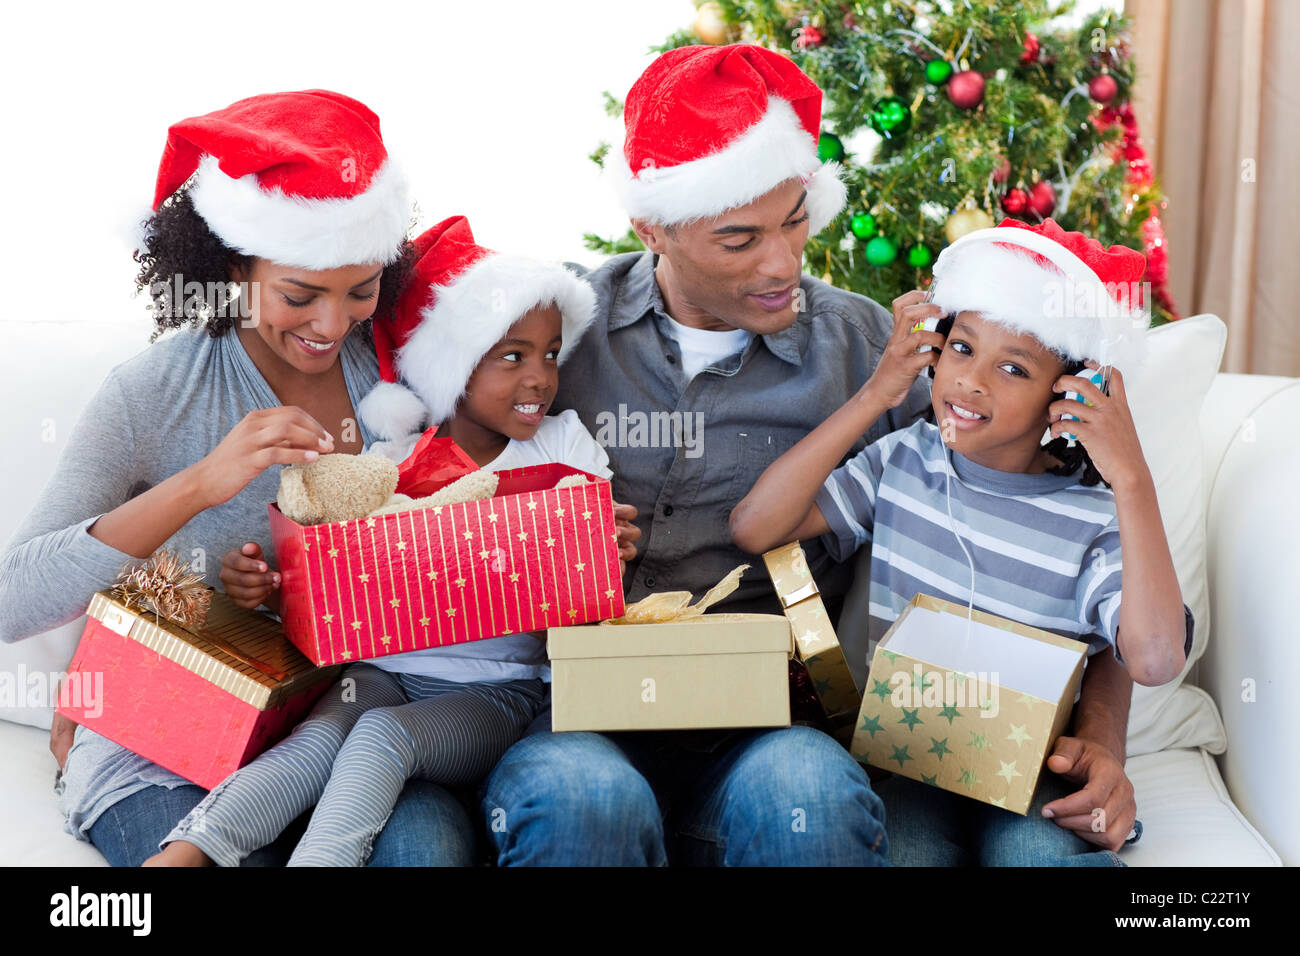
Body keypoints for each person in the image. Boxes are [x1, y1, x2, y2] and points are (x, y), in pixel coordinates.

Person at [481, 42, 1144, 865]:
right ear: (651, 227)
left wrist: (1103, 737)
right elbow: (421, 481)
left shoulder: (874, 349)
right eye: (739, 239)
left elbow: (1073, 533)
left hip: (771, 731)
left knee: (812, 797)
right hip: (579, 718)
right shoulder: (555, 333)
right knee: (584, 800)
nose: (783, 262)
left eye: (796, 218)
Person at [0, 90, 471, 866]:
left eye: (360, 290)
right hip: (170, 739)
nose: (331, 325)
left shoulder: (399, 373)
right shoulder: (154, 391)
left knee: (428, 851)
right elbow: (16, 598)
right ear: (232, 264)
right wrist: (201, 483)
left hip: (349, 743)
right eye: (299, 295)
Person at [152, 215, 634, 866]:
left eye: (550, 354)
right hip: (381, 674)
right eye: (512, 356)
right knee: (317, 739)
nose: (540, 378)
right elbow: (341, 579)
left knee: (382, 735)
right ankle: (185, 854)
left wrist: (604, 546)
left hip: (495, 690)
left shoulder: (565, 442)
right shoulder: (395, 458)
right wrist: (276, 587)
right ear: (455, 368)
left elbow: (590, 574)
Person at [731, 217, 1195, 865]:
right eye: (962, 349)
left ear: (1068, 396)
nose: (972, 382)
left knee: (1039, 856)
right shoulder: (905, 461)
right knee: (909, 850)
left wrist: (1130, 476)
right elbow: (755, 526)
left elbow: (1152, 659)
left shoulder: (1093, 518)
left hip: (1033, 774)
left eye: (1012, 368)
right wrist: (876, 394)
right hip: (910, 765)